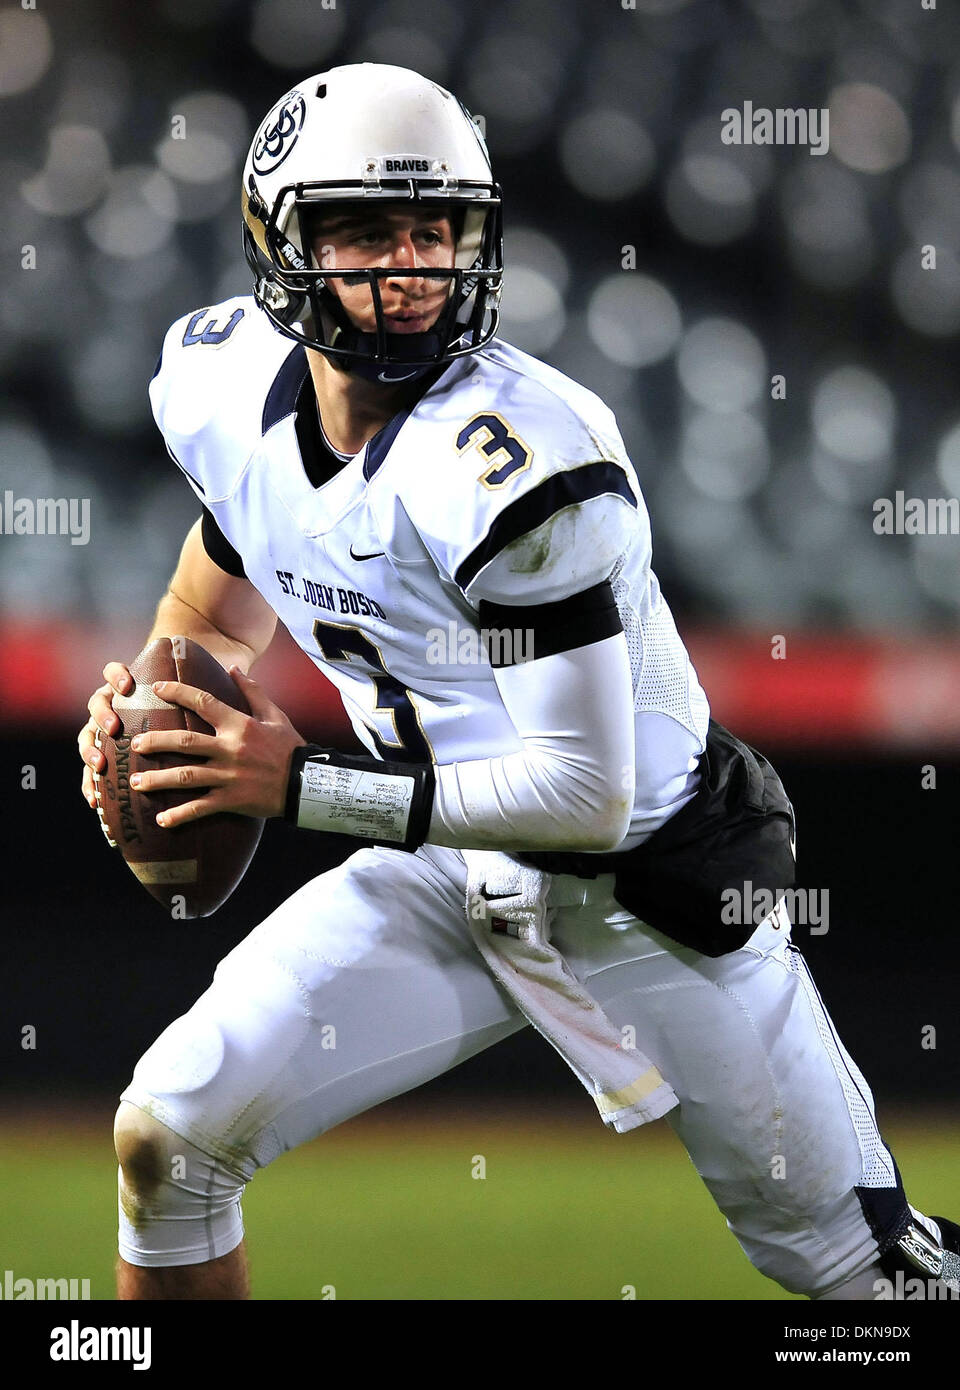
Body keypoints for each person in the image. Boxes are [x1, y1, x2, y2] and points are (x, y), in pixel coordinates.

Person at [78, 63, 957, 1301]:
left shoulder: (517, 463)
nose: (414, 265)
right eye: (370, 232)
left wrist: (298, 784)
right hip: (444, 867)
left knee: (863, 1276)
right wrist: (159, 712)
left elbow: (588, 792)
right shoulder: (223, 387)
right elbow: (219, 589)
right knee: (169, 1141)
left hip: (641, 891)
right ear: (281, 246)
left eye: (436, 231)